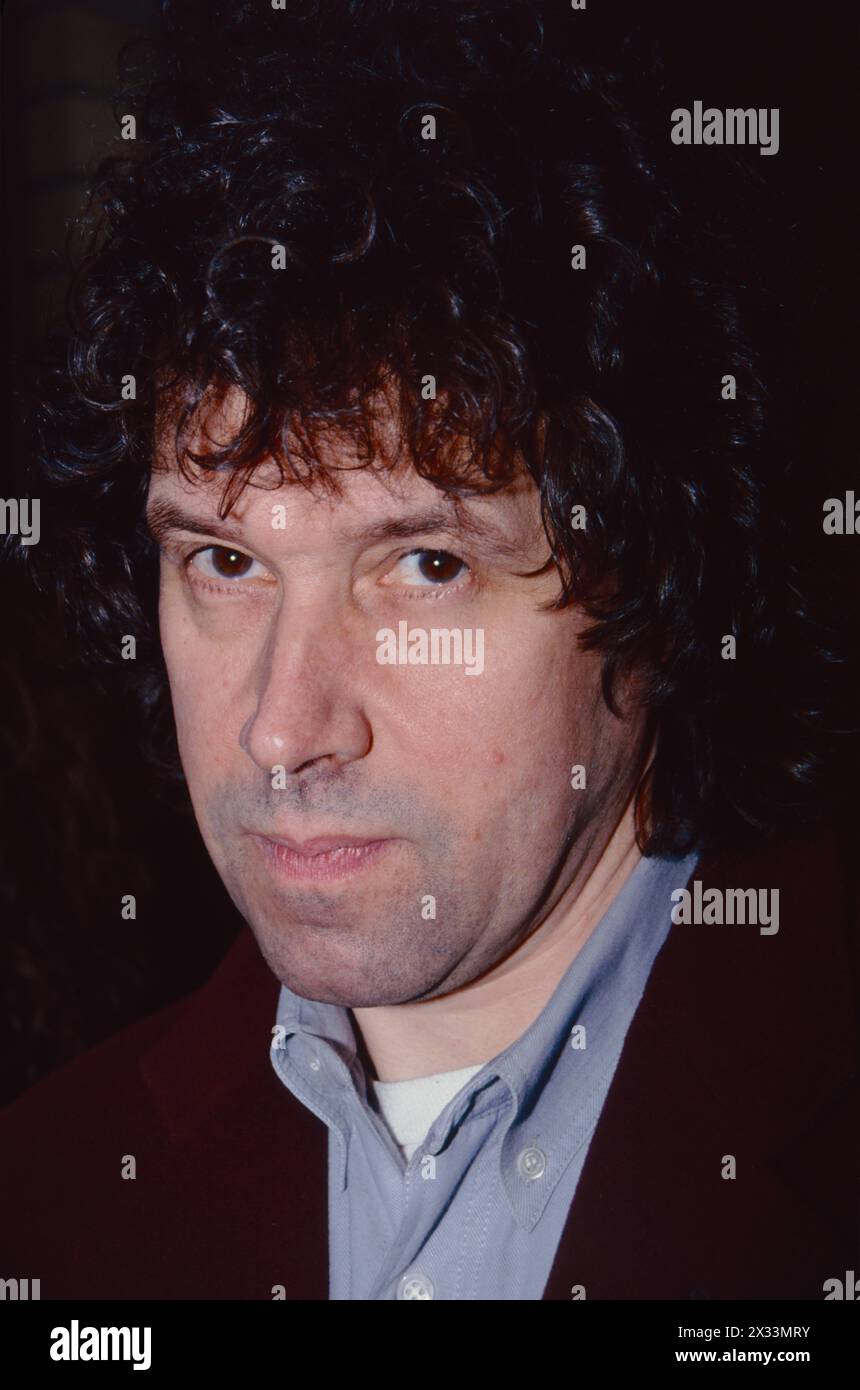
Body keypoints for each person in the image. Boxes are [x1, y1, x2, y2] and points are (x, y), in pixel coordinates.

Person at [1, 0, 856, 1300]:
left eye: (427, 565)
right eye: (225, 562)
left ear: (667, 583)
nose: (282, 728)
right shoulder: (46, 1194)